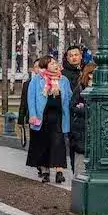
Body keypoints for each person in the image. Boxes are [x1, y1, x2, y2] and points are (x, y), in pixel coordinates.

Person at [26, 55, 72, 184]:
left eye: (55, 62)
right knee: (43, 143)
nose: (55, 65)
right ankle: (45, 171)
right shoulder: (37, 80)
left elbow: (68, 96)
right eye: (51, 63)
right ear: (45, 66)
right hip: (42, 117)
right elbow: (31, 99)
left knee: (59, 144)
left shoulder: (63, 80)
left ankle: (59, 172)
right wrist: (33, 115)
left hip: (58, 116)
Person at [68, 63, 95, 174]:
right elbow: (72, 106)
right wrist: (85, 110)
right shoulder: (79, 89)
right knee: (79, 157)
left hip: (92, 128)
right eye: (93, 73)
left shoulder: (100, 88)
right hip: (80, 128)